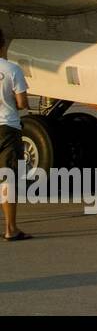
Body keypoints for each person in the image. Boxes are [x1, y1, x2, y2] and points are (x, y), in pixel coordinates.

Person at [0, 28, 31, 241]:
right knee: (7, 178)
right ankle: (11, 228)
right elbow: (22, 103)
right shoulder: (12, 69)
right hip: (7, 128)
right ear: (3, 44)